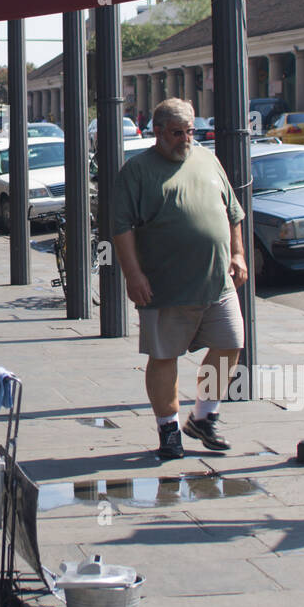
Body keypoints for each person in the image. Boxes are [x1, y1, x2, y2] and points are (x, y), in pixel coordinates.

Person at [112, 98, 248, 460]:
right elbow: (121, 228)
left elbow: (232, 211)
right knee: (164, 356)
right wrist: (133, 274)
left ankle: (203, 418)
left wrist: (238, 254)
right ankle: (169, 429)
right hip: (165, 286)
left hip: (216, 283)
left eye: (190, 131)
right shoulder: (137, 172)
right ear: (157, 133)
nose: (185, 139)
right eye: (177, 133)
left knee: (231, 345)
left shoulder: (207, 158)